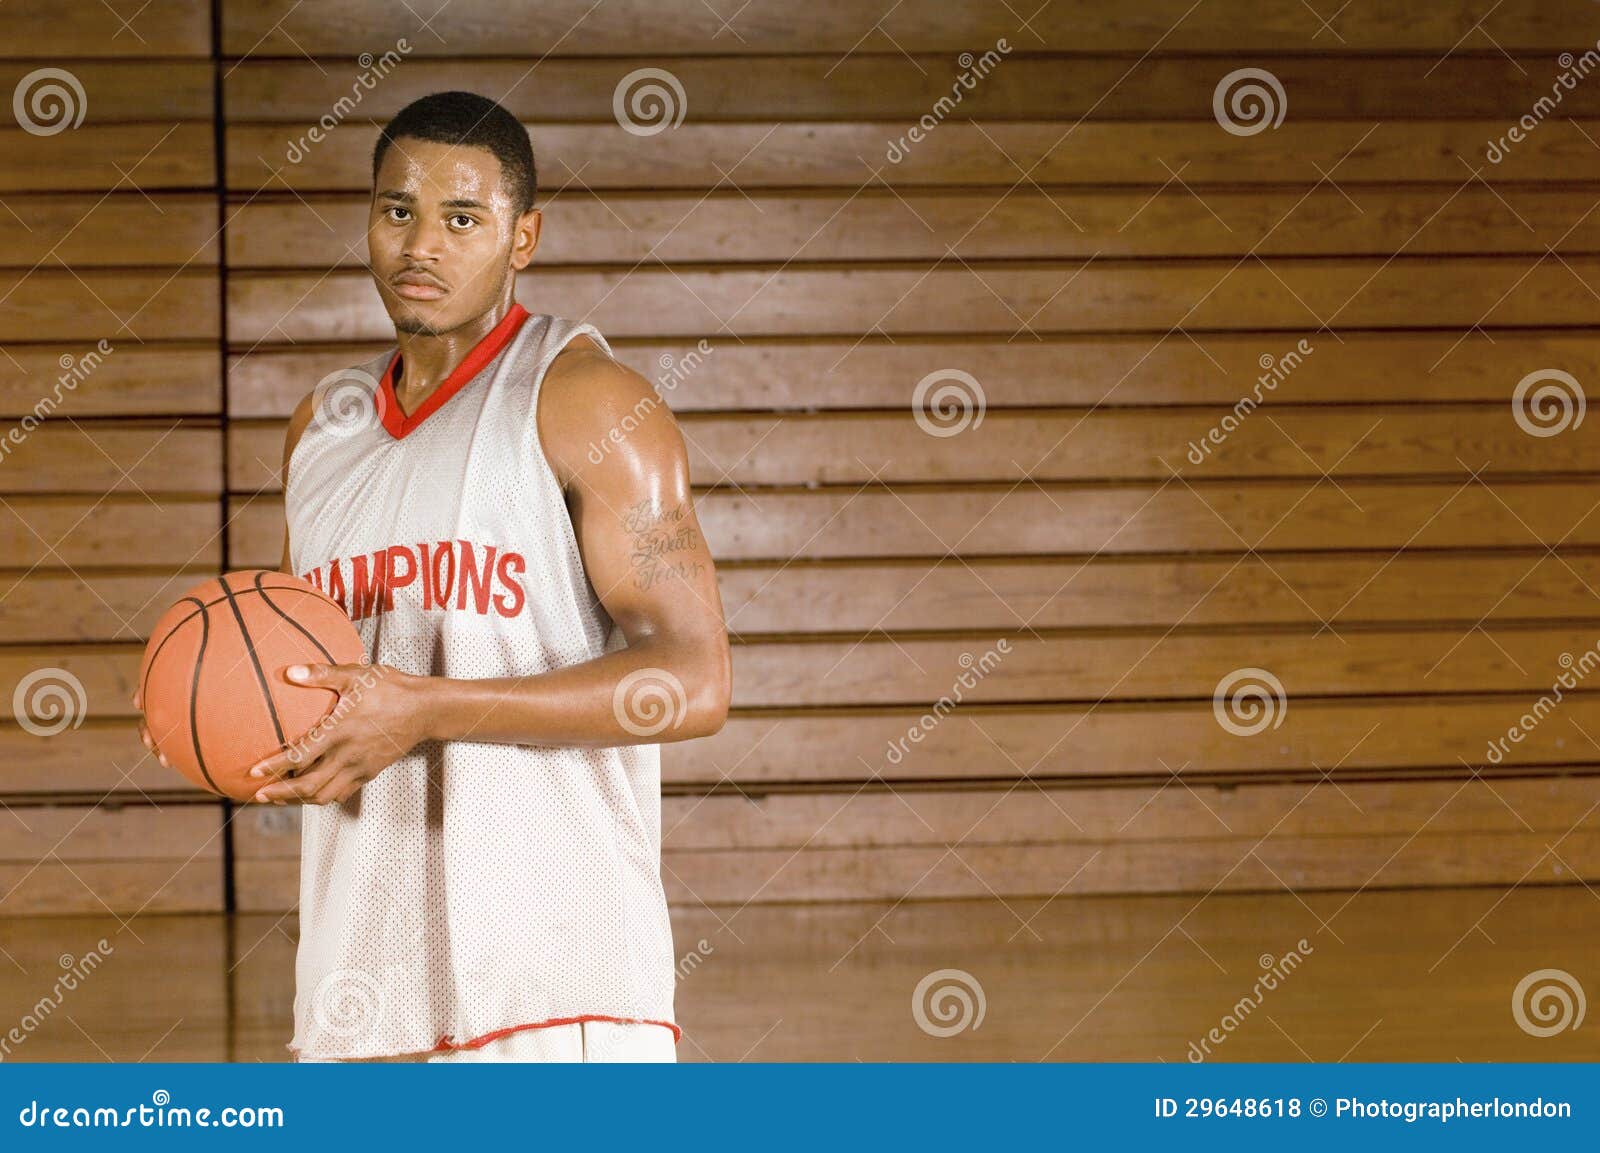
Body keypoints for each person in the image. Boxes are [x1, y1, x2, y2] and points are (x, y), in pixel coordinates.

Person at [143, 90, 731, 1062]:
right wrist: (221, 715)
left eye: (462, 218)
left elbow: (696, 680)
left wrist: (428, 707)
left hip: (557, 994)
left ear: (523, 235)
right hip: (357, 996)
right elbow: (318, 692)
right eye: (395, 210)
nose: (421, 244)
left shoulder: (589, 400)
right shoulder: (321, 430)